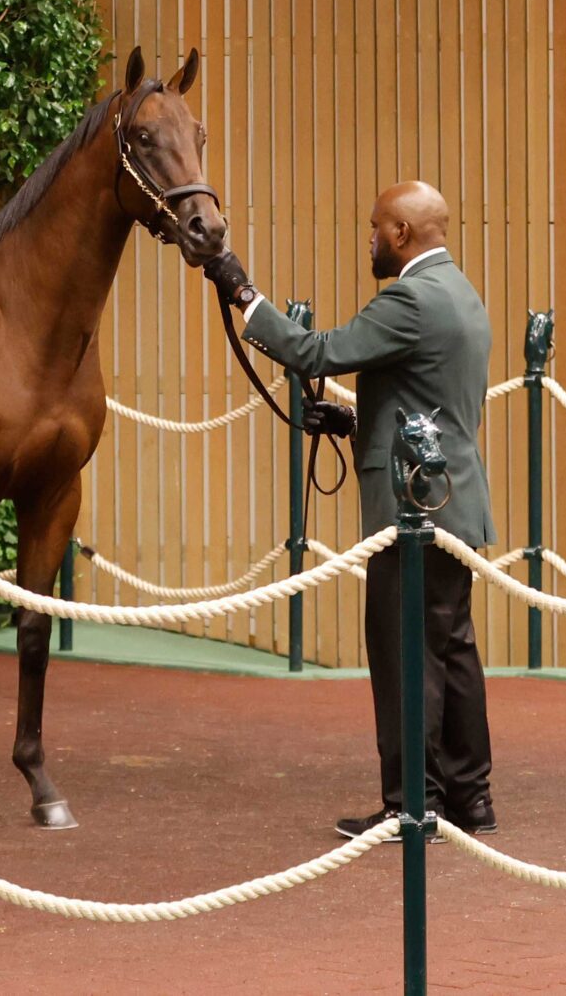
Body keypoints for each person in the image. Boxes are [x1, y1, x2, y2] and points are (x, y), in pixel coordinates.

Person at [204, 181, 497, 840]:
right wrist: (353, 422)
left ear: (401, 233)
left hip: (412, 512)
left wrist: (241, 292)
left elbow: (315, 352)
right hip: (457, 504)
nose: (369, 240)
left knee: (404, 659)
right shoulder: (462, 293)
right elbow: (432, 403)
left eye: (375, 228)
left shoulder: (410, 298)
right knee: (451, 653)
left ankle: (411, 806)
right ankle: (472, 798)